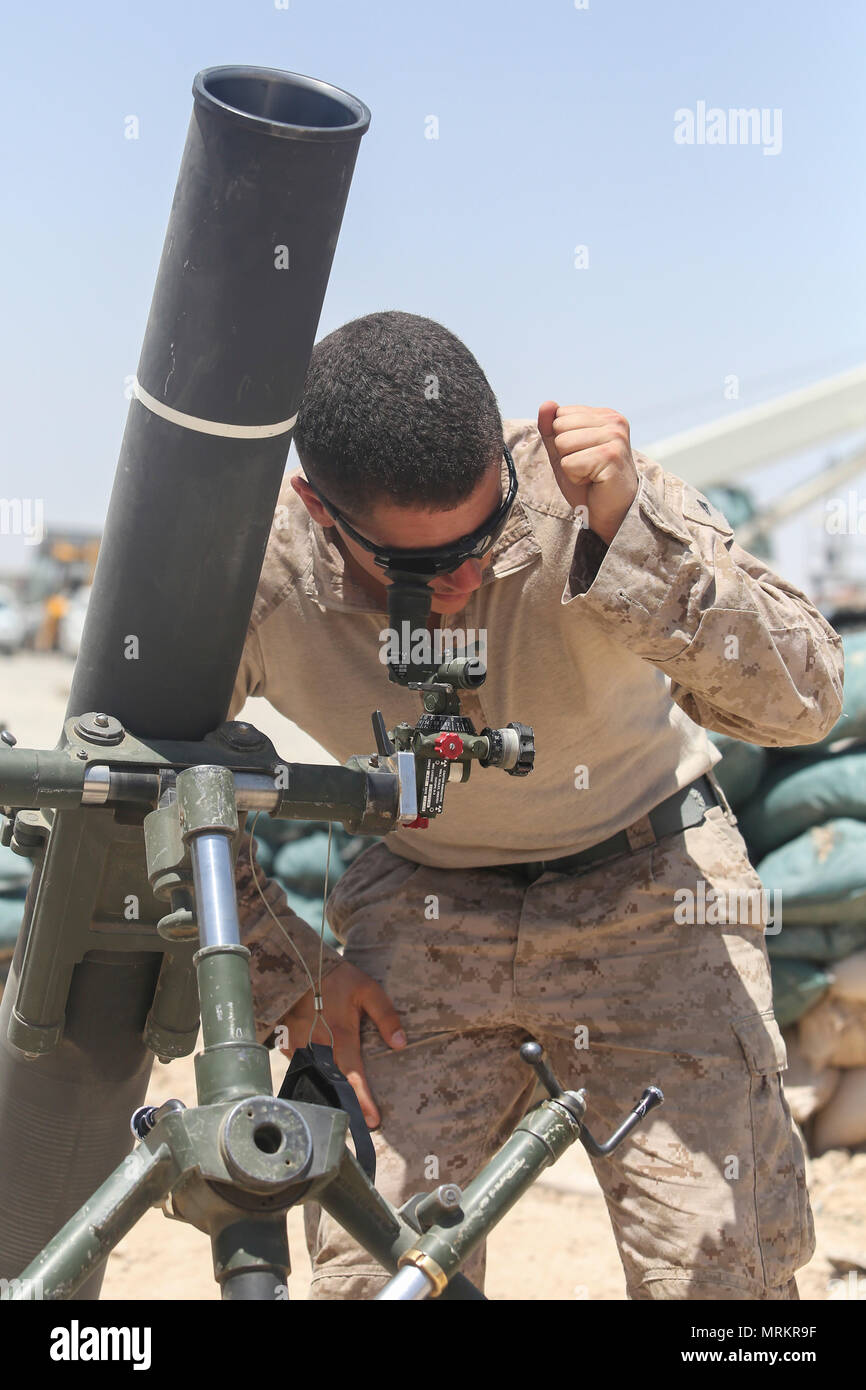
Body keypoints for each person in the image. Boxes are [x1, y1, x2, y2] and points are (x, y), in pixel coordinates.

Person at [228, 310, 844, 1300]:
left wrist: (634, 542)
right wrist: (293, 970)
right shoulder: (261, 573)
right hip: (424, 910)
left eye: (483, 536)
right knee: (374, 1265)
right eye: (422, 565)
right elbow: (142, 779)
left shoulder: (583, 496)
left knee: (720, 1277)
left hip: (653, 893)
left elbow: (805, 699)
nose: (467, 577)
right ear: (318, 508)